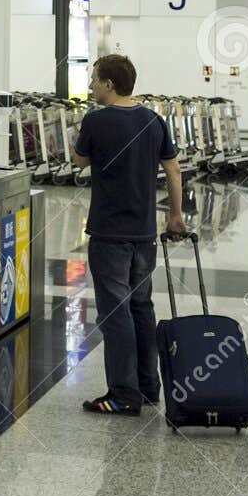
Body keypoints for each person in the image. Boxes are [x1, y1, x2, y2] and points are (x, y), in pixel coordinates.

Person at [71, 53, 186, 417]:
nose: (91, 86)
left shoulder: (96, 121)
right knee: (140, 308)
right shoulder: (154, 120)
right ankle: (148, 387)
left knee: (115, 313)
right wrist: (177, 216)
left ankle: (122, 394)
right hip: (143, 234)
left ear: (109, 83)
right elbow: (174, 170)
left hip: (108, 233)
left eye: (94, 80)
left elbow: (78, 161)